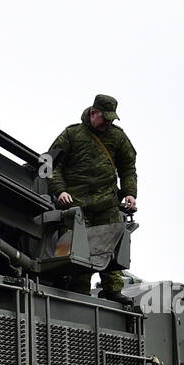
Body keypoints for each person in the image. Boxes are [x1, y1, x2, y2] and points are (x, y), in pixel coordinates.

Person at [48, 94, 138, 299]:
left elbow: (128, 167)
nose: (107, 123)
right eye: (104, 118)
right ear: (93, 112)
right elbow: (50, 163)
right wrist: (60, 190)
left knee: (113, 242)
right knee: (78, 249)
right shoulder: (72, 134)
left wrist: (130, 193)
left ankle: (112, 290)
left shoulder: (118, 137)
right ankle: (78, 292)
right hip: (75, 202)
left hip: (107, 203)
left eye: (111, 119)